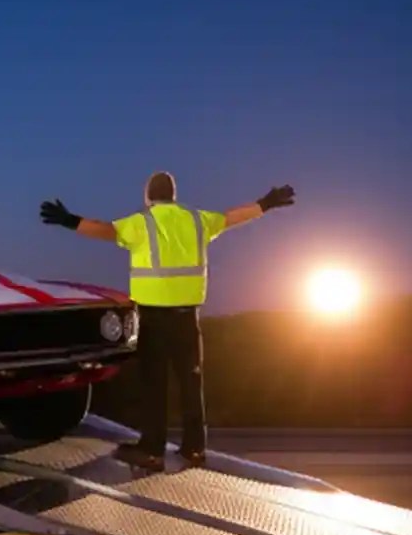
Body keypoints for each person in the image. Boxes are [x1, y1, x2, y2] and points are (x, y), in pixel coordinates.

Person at [39, 171, 295, 471]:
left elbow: (104, 230)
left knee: (154, 385)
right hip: (188, 317)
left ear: (148, 197)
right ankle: (195, 449)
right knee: (191, 383)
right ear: (174, 195)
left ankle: (152, 449)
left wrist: (69, 220)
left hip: (153, 318)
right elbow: (231, 217)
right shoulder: (198, 220)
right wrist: (265, 204)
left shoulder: (142, 223)